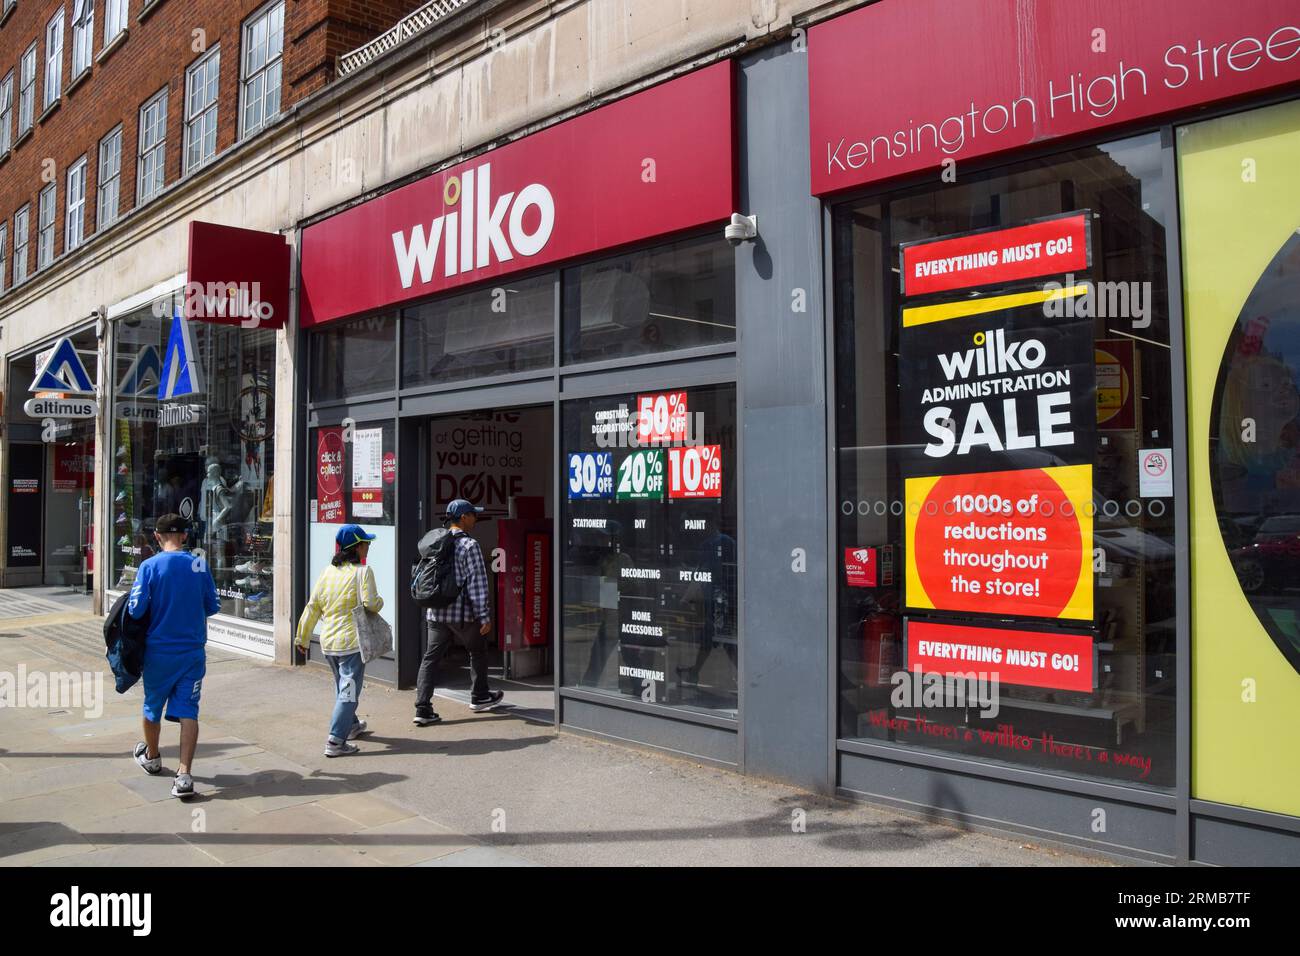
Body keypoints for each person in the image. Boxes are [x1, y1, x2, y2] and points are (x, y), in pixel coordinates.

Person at [128, 513, 221, 799]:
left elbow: (135, 610)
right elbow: (212, 606)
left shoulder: (149, 566)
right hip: (192, 652)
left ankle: (153, 757)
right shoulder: (198, 565)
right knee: (188, 712)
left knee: (152, 707)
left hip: (158, 653)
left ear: (157, 537)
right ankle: (184, 776)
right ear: (184, 536)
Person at [413, 499, 504, 725]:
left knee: (430, 658)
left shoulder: (434, 542)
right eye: (473, 514)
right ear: (463, 517)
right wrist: (483, 616)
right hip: (462, 613)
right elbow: (478, 584)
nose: (476, 518)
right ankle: (480, 696)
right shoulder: (469, 546)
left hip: (435, 612)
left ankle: (422, 709)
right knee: (478, 650)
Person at [296, 524, 383, 756]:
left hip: (329, 643)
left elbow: (313, 606)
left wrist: (302, 638)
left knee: (343, 687)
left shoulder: (327, 572)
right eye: (366, 543)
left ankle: (352, 725)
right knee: (349, 692)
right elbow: (372, 603)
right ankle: (335, 741)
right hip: (351, 643)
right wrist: (381, 602)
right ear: (357, 547)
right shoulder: (363, 572)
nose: (369, 547)